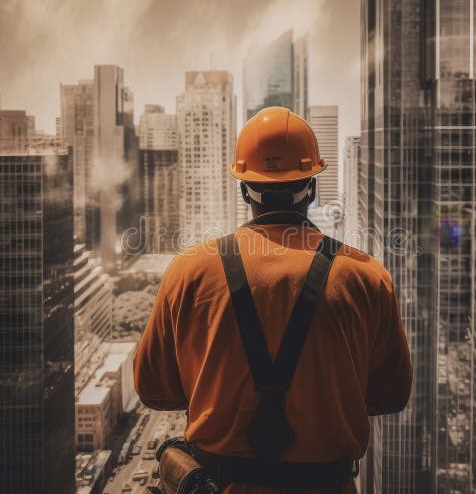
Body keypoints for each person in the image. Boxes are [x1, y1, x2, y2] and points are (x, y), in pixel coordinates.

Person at [134, 107, 413, 493]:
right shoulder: (366, 277)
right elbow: (392, 395)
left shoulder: (188, 273)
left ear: (243, 189)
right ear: (311, 188)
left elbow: (153, 389)